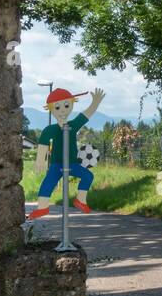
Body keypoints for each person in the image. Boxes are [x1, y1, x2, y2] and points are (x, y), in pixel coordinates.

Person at [28, 86, 105, 220]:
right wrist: (40, 160)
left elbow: (85, 115)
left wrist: (95, 103)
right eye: (57, 107)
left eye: (66, 105)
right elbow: (43, 143)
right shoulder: (50, 130)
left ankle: (81, 200)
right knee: (48, 183)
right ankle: (42, 208)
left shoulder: (73, 125)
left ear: (72, 104)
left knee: (87, 176)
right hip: (57, 164)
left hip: (72, 164)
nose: (62, 110)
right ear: (50, 109)